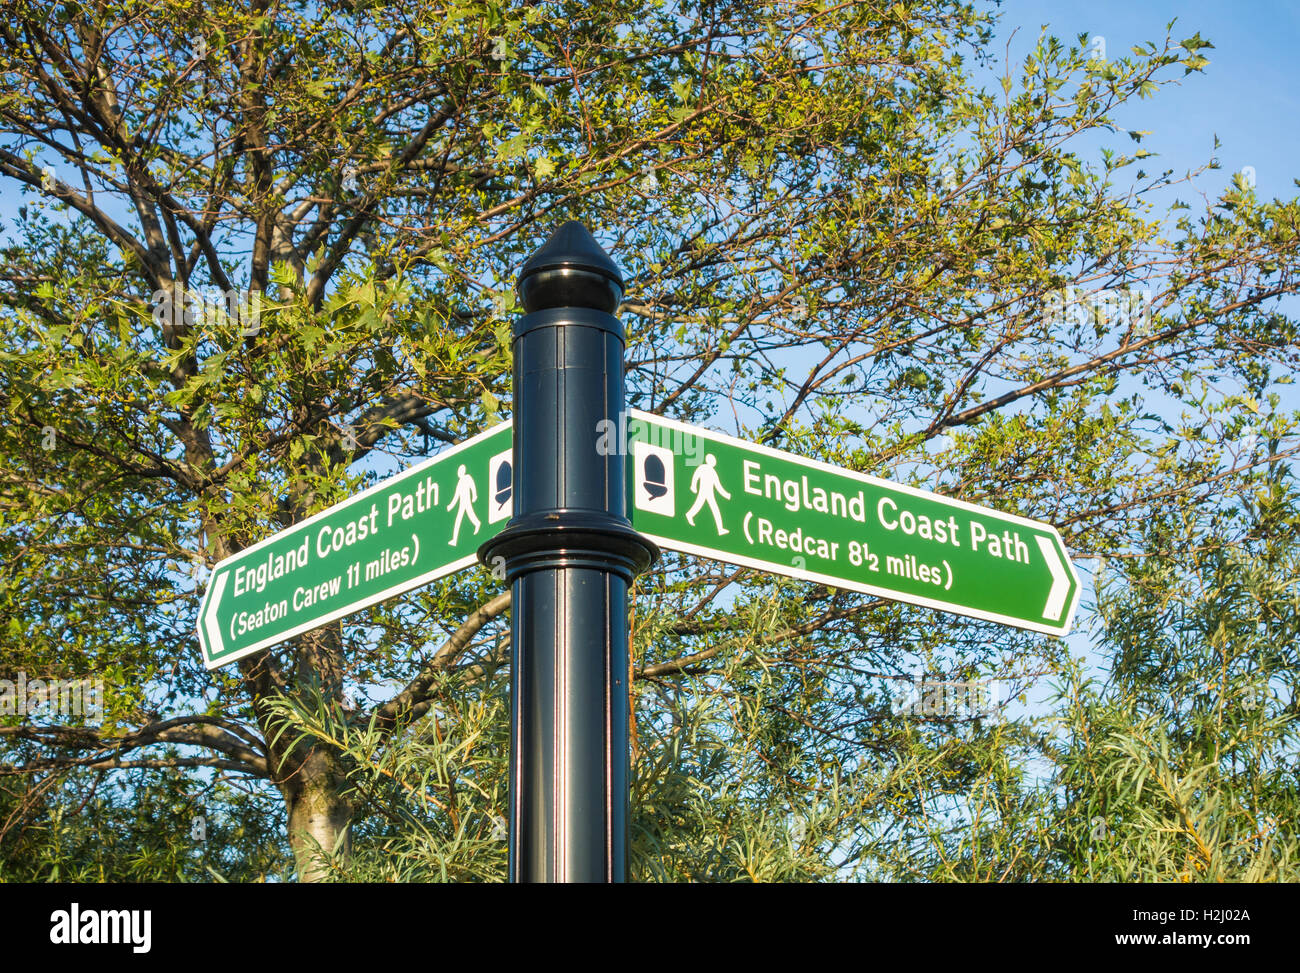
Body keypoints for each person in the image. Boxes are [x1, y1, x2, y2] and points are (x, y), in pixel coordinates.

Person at [685, 453, 730, 535]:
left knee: (710, 507)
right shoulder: (703, 467)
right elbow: (696, 476)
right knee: (703, 505)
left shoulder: (713, 472)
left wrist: (726, 494)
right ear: (709, 460)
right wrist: (693, 486)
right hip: (703, 491)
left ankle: (720, 529)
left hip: (710, 493)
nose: (714, 462)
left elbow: (718, 485)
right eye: (713, 460)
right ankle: (689, 515)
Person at [447, 464, 481, 545]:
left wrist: (475, 495)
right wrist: (450, 506)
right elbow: (456, 495)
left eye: (460, 471)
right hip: (462, 503)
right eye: (458, 471)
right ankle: (454, 540)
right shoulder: (459, 482)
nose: (459, 472)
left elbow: (472, 486)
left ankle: (455, 540)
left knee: (462, 517)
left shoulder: (467, 477)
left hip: (467, 501)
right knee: (465, 517)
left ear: (463, 471)